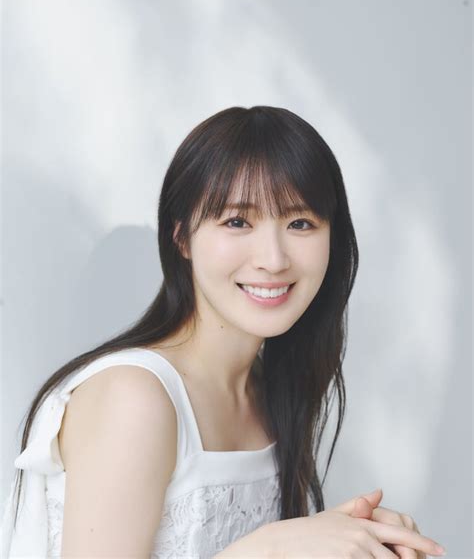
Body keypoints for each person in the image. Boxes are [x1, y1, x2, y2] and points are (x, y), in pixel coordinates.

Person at [0, 105, 445, 558]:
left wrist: (350, 538)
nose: (273, 259)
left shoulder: (268, 393)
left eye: (300, 223)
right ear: (181, 237)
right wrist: (271, 548)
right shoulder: (135, 397)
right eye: (237, 222)